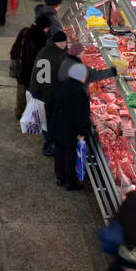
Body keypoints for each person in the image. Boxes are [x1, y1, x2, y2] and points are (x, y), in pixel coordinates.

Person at [49, 61, 90, 191]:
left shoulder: (59, 85)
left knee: (59, 151)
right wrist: (82, 133)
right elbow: (82, 116)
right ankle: (70, 183)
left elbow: (50, 104)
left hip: (57, 124)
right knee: (69, 155)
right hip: (70, 129)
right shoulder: (80, 93)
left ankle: (59, 178)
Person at [30, 28, 70, 155]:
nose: (65, 45)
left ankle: (52, 140)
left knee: (51, 119)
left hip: (54, 93)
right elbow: (40, 78)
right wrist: (37, 94)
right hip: (47, 94)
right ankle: (49, 144)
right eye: (64, 43)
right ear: (59, 43)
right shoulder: (47, 55)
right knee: (47, 120)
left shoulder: (59, 51)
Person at [10, 12, 51, 119]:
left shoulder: (24, 31)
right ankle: (31, 114)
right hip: (34, 72)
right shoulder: (44, 39)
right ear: (45, 27)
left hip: (22, 70)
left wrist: (16, 58)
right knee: (34, 94)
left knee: (21, 91)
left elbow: (15, 47)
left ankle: (18, 112)